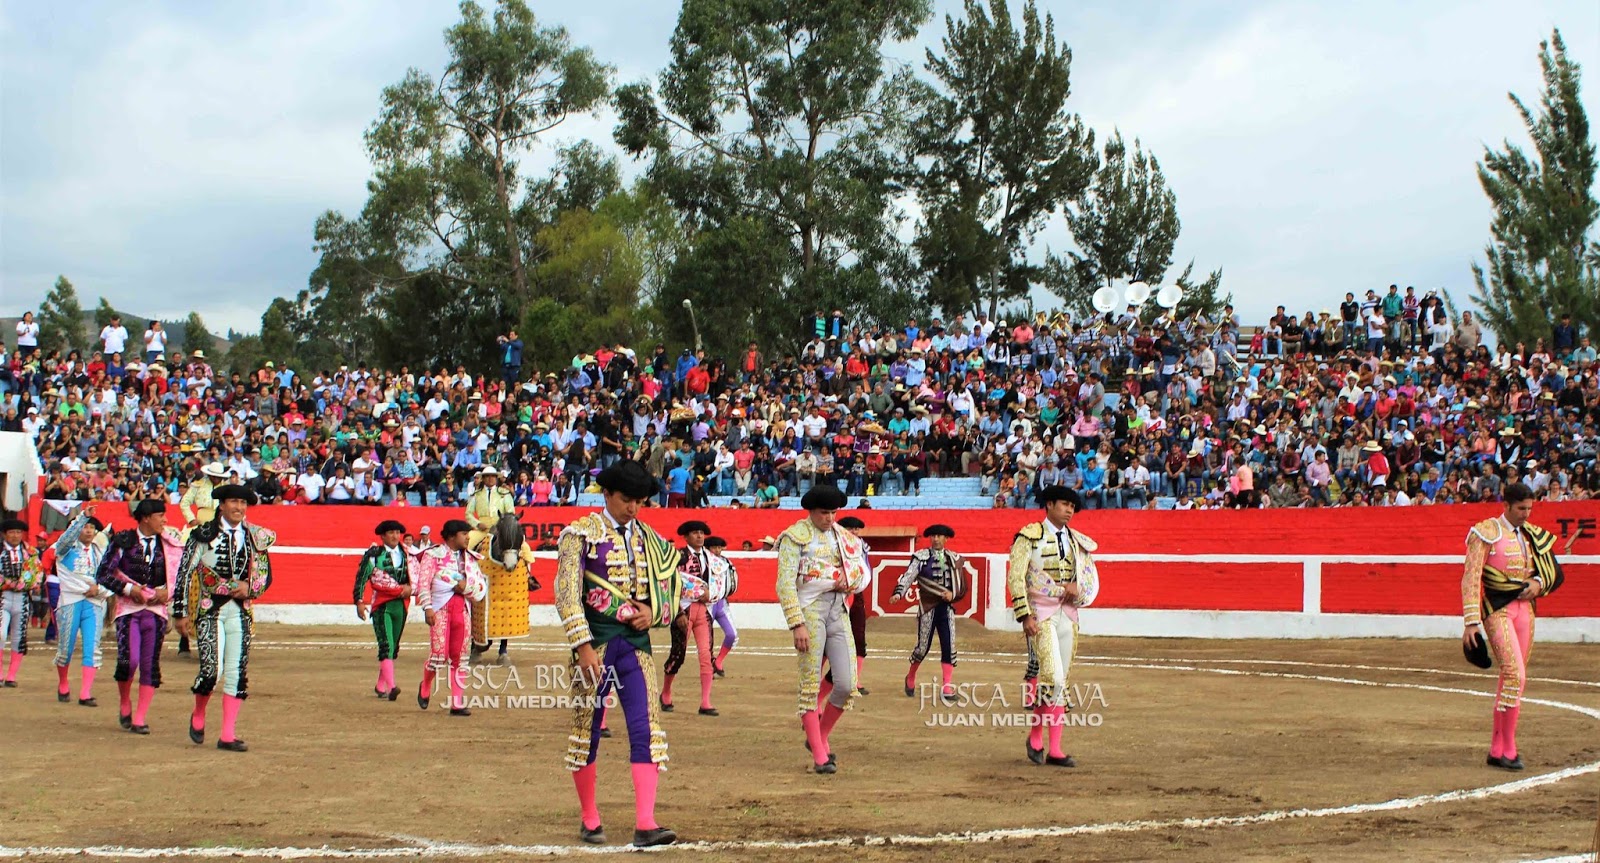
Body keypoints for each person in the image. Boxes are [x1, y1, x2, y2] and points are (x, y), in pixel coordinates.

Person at [553, 459, 681, 847]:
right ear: (606, 494)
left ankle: (646, 823)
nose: (633, 508)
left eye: (640, 501)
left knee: (647, 731)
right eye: (626, 499)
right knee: (585, 731)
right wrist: (583, 646)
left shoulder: (651, 539)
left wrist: (653, 613)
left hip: (636, 649)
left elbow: (668, 590)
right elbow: (566, 596)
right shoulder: (579, 534)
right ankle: (590, 817)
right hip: (595, 646)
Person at [1461, 482, 1567, 771]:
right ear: (1506, 505)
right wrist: (1471, 622)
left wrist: (1538, 583)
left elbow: (1549, 572)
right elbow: (1471, 578)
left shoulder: (1531, 535)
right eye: (1521, 508)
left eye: (1530, 508)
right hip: (1498, 610)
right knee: (1514, 676)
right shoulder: (1486, 532)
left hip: (1526, 611)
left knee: (1512, 678)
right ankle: (1506, 748)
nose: (1526, 514)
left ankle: (1500, 748)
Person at [172, 484, 275, 752]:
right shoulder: (203, 534)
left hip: (240, 611)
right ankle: (198, 713)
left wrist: (250, 589)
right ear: (222, 504)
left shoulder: (256, 536)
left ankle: (227, 734)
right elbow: (184, 573)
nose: (239, 508)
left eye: (243, 503)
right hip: (209, 609)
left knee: (236, 673)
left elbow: (264, 575)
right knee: (210, 671)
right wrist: (180, 612)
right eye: (233, 502)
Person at [775, 485, 871, 775]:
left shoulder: (844, 536)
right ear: (811, 512)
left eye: (833, 512)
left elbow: (861, 572)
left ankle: (821, 735)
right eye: (823, 513)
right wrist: (797, 624)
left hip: (838, 609)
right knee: (810, 683)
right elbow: (785, 584)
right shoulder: (795, 537)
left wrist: (850, 583)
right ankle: (819, 755)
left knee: (846, 683)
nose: (829, 518)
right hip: (810, 611)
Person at [1008, 485, 1100, 768]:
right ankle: (1037, 735)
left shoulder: (1077, 541)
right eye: (1064, 504)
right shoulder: (1029, 536)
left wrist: (1078, 587)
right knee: (1054, 677)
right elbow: (1016, 576)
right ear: (1049, 505)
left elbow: (1087, 578)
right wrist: (1025, 615)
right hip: (1041, 612)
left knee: (1059, 682)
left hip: (1068, 615)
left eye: (1073, 506)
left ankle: (1055, 749)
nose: (1070, 510)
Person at [96, 498, 183, 734]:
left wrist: (168, 592)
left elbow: (180, 577)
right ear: (146, 518)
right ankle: (125, 702)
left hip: (155, 612)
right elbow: (102, 574)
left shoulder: (169, 545)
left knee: (149, 664)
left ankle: (140, 718)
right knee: (128, 660)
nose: (165, 520)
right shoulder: (123, 541)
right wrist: (128, 589)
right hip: (128, 610)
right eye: (160, 515)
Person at [410, 519, 486, 716]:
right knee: (438, 656)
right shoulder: (432, 555)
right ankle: (425, 686)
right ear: (452, 536)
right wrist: (427, 608)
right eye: (464, 534)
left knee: (460, 657)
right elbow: (423, 584)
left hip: (462, 609)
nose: (468, 537)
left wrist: (466, 588)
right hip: (440, 609)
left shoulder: (470, 558)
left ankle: (457, 703)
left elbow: (480, 586)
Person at [660, 520, 734, 716]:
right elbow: (668, 583)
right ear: (686, 537)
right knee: (678, 654)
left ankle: (705, 702)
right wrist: (676, 613)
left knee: (706, 655)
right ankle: (666, 692)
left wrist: (714, 594)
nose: (700, 536)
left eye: (702, 533)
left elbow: (721, 582)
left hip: (705, 611)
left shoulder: (713, 559)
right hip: (683, 610)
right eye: (695, 533)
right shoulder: (678, 557)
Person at [895, 524, 969, 698]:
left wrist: (953, 595)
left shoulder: (954, 558)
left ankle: (947, 687)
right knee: (922, 647)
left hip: (946, 608)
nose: (936, 539)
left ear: (946, 539)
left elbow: (961, 585)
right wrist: (899, 592)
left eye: (939, 536)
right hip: (928, 607)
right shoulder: (921, 557)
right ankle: (911, 676)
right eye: (933, 536)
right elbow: (909, 575)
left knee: (948, 645)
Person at [51, 510, 107, 706]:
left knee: (92, 647)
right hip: (70, 602)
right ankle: (63, 682)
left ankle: (85, 692)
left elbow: (109, 577)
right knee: (65, 648)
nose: (89, 530)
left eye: (92, 527)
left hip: (93, 602)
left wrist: (99, 589)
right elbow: (66, 539)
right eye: (85, 527)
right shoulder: (65, 548)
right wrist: (82, 517)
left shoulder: (99, 552)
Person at [354, 519, 413, 701]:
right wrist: (359, 601)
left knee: (393, 647)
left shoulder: (407, 554)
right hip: (382, 605)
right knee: (386, 645)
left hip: (401, 605)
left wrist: (412, 588)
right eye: (391, 533)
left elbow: (417, 576)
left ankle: (380, 685)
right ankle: (392, 686)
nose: (395, 536)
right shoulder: (374, 555)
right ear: (382, 536)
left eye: (397, 532)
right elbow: (362, 577)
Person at [463, 466, 517, 665]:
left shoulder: (504, 493)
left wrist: (503, 526)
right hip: (483, 528)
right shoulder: (476, 494)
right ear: (483, 479)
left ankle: (528, 575)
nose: (490, 480)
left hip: (501, 527)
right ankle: (462, 574)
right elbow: (468, 514)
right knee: (466, 545)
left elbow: (511, 513)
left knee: (523, 547)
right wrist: (478, 525)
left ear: (497, 478)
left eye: (493, 477)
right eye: (487, 477)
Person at [828, 515, 873, 697]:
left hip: (856, 593)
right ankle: (814, 679)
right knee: (827, 638)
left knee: (859, 637)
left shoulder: (862, 546)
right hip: (835, 593)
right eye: (850, 528)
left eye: (856, 529)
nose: (854, 532)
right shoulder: (831, 544)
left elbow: (866, 569)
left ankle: (854, 681)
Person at [0, 516, 44, 686]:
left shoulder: (31, 552)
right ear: (5, 535)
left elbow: (38, 573)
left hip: (23, 598)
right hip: (2, 598)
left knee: (19, 637)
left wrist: (27, 584)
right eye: (11, 532)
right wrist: (8, 583)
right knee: (1, 634)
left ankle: (11, 676)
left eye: (18, 532)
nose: (15, 535)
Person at [704, 536, 739, 677]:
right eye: (714, 548)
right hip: (706, 604)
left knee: (732, 634)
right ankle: (708, 665)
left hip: (721, 603)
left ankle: (718, 661)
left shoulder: (726, 563)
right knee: (706, 638)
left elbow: (730, 581)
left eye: (719, 548)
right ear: (708, 548)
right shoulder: (702, 562)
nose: (718, 551)